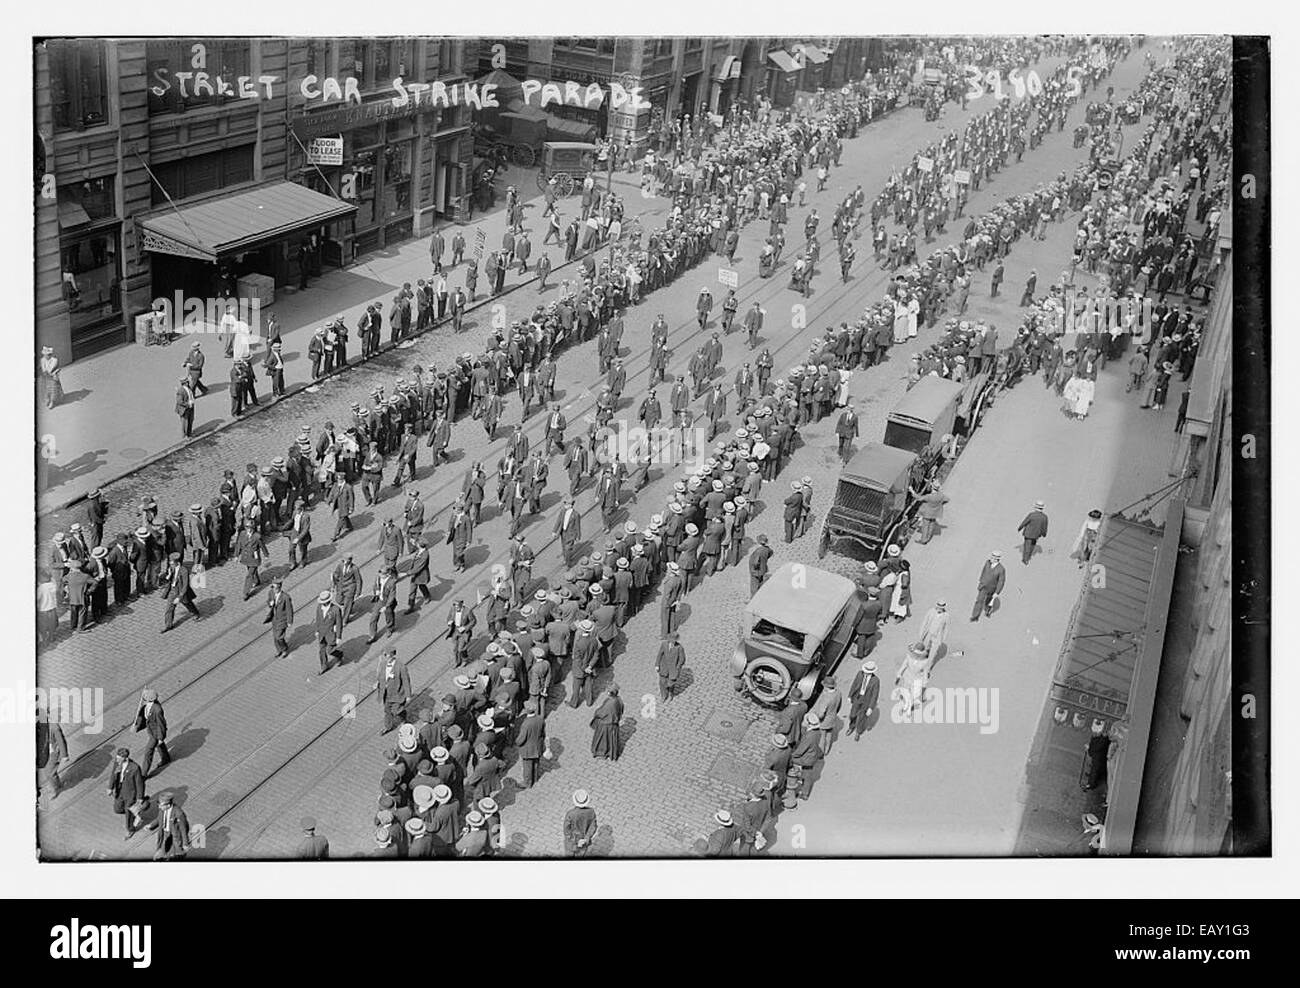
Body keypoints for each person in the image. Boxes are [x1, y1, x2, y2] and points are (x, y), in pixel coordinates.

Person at [108, 747, 147, 838]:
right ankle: (135, 813)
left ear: (125, 758)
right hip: (120, 790)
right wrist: (110, 787)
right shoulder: (117, 763)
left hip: (130, 794)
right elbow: (113, 774)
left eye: (119, 758)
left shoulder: (135, 768)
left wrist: (140, 797)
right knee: (117, 809)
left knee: (128, 811)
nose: (117, 760)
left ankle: (130, 829)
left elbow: (139, 784)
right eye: (117, 757)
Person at [377, 648, 412, 736]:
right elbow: (381, 677)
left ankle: (403, 718)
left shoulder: (401, 667)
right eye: (383, 655)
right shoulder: (382, 664)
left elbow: (406, 681)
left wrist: (408, 695)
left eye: (385, 655)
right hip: (387, 694)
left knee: (397, 710)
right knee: (387, 710)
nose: (383, 657)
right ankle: (388, 726)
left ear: (392, 655)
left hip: (397, 694)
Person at [846, 661, 880, 740]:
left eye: (868, 672)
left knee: (862, 717)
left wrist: (870, 708)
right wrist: (850, 695)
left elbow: (875, 695)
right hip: (857, 697)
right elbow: (854, 684)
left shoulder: (876, 681)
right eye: (865, 671)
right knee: (852, 714)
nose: (866, 673)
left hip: (866, 700)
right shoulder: (859, 674)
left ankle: (858, 732)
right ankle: (851, 726)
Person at [893, 642, 931, 712]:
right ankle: (906, 703)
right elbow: (903, 666)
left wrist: (924, 683)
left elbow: (925, 673)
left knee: (913, 695)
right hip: (907, 678)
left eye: (919, 654)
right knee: (906, 693)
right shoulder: (909, 657)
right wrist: (899, 675)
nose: (917, 655)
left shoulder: (925, 662)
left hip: (917, 680)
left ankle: (908, 706)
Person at [153, 792, 191, 861]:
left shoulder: (178, 813)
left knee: (178, 850)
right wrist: (151, 825)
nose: (159, 807)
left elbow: (183, 829)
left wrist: (185, 843)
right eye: (158, 804)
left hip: (175, 834)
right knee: (162, 846)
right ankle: (162, 856)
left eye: (161, 805)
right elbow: (159, 819)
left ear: (168, 805)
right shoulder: (162, 810)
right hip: (165, 832)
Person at [590, 685, 624, 760]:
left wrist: (597, 710)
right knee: (610, 739)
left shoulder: (610, 703)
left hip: (606, 724)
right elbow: (621, 710)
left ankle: (603, 753)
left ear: (610, 693)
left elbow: (601, 713)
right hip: (614, 724)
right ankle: (610, 751)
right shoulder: (619, 699)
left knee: (603, 740)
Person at [970, 550, 1006, 621]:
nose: (991, 559)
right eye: (991, 557)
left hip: (992, 589)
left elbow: (1001, 582)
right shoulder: (987, 563)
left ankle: (987, 611)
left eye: (993, 558)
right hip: (983, 586)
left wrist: (997, 592)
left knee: (988, 601)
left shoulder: (1001, 569)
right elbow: (983, 571)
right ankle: (975, 616)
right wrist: (981, 581)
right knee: (979, 601)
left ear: (997, 559)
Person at [564, 789, 598, 857]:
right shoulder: (591, 812)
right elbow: (593, 826)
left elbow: (566, 830)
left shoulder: (570, 814)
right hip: (584, 841)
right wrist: (586, 839)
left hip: (571, 842)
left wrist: (575, 842)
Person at [1017, 500, 1050, 564]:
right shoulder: (1044, 517)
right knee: (1032, 545)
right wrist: (1044, 533)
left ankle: (1025, 559)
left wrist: (1020, 527)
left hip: (1028, 533)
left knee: (1027, 546)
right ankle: (1029, 556)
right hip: (1036, 534)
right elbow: (1044, 527)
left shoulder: (1032, 515)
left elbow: (1025, 522)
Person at [656, 632, 686, 701]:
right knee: (662, 682)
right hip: (664, 667)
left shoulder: (679, 648)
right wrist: (657, 664)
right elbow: (659, 655)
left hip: (673, 669)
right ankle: (663, 695)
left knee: (671, 683)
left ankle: (670, 694)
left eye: (674, 641)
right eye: (671, 640)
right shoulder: (664, 644)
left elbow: (682, 659)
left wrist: (677, 667)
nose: (673, 642)